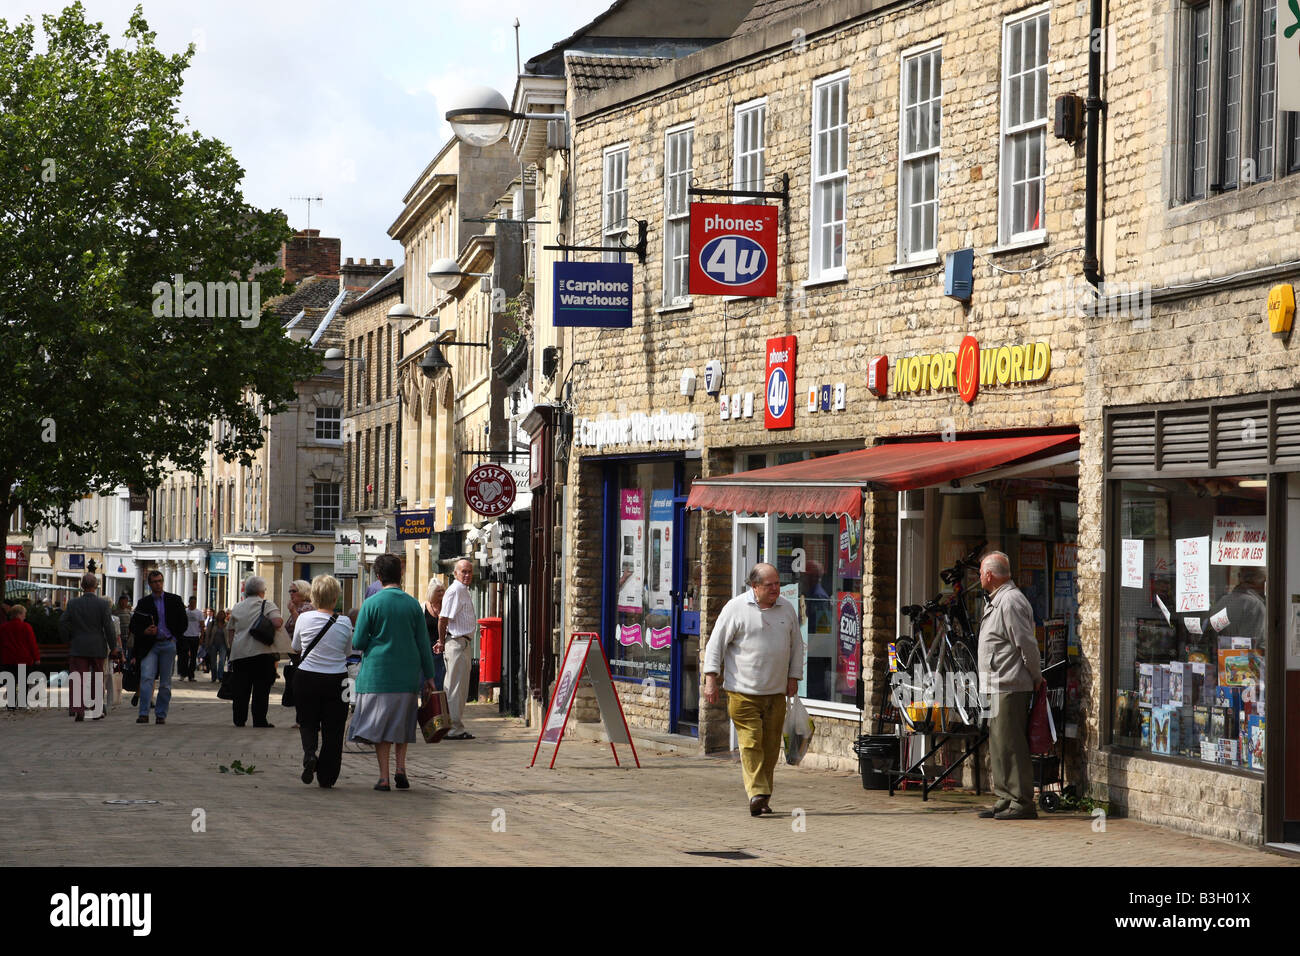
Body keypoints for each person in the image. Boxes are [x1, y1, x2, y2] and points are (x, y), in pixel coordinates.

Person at [702, 563, 803, 816]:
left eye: (778, 584)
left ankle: (763, 796)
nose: (775, 589)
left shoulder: (786, 609)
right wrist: (711, 679)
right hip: (742, 692)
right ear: (754, 586)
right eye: (769, 585)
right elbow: (715, 645)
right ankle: (756, 792)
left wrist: (794, 677)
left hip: (776, 692)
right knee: (750, 742)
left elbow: (797, 646)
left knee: (770, 747)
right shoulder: (735, 608)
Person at [349, 552, 437, 790]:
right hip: (407, 676)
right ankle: (401, 768)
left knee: (380, 728)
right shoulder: (412, 605)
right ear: (401, 575)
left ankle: (384, 777)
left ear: (378, 577)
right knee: (402, 723)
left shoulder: (371, 604)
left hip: (377, 675)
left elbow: (358, 641)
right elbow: (423, 644)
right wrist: (429, 676)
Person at [976, 551, 1044, 821]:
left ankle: (1022, 801)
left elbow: (1026, 643)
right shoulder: (996, 600)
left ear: (990, 575)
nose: (980, 577)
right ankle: (1004, 798)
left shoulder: (1011, 601)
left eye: (981, 572)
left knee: (1012, 745)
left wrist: (1036, 676)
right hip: (995, 684)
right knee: (998, 745)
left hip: (1010, 684)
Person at [292, 575, 353, 788]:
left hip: (306, 676)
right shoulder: (344, 622)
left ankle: (310, 754)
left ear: (314, 597)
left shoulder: (303, 618)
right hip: (337, 679)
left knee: (307, 721)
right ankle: (327, 777)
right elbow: (347, 652)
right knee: (334, 730)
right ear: (335, 597)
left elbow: (296, 646)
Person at [60, 572, 121, 721]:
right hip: (97, 646)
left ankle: (78, 709)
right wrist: (113, 646)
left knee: (78, 678)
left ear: (81, 586)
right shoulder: (103, 604)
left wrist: (67, 639)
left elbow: (62, 622)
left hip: (78, 645)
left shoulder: (73, 603)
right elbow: (109, 627)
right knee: (97, 678)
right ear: (96, 586)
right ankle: (96, 709)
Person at [130, 570, 188, 725]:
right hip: (150, 646)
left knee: (165, 682)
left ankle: (161, 714)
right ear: (149, 584)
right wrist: (145, 631)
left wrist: (174, 637)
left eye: (160, 581)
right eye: (154, 582)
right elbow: (133, 625)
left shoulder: (174, 600)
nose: (158, 584)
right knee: (147, 678)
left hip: (168, 644)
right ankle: (143, 713)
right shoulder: (144, 603)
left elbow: (183, 622)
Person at [226, 576, 284, 728]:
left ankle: (239, 719)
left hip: (240, 654)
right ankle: (259, 720)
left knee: (241, 689)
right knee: (261, 689)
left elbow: (231, 630)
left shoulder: (237, 606)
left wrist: (232, 648)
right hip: (262, 653)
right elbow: (278, 622)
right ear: (262, 592)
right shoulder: (267, 604)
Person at [436, 559, 478, 740]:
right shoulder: (455, 590)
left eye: (469, 571)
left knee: (459, 688)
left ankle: (455, 727)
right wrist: (441, 640)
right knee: (455, 688)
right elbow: (443, 618)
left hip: (462, 643)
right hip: (457, 643)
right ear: (455, 573)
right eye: (463, 572)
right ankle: (453, 729)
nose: (467, 575)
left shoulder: (462, 590)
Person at [1204, 566, 1267, 645]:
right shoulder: (1255, 606)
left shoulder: (1224, 601)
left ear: (1239, 577)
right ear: (1262, 581)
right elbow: (1254, 647)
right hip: (1242, 655)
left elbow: (1213, 631)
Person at [0, 604, 40, 710]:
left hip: (8, 658)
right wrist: (36, 658)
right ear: (19, 614)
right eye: (24, 614)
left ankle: (12, 704)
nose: (25, 617)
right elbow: (32, 643)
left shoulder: (3, 627)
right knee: (23, 681)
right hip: (24, 658)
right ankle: (22, 703)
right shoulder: (26, 627)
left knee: (11, 681)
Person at [423, 580, 447, 692]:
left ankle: (440, 706)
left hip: (443, 647)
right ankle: (427, 706)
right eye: (438, 591)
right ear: (432, 592)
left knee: (441, 680)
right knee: (426, 681)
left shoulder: (446, 606)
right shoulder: (422, 607)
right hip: (427, 648)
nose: (442, 593)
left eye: (443, 590)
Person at [178, 596, 203, 682]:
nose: (192, 604)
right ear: (189, 602)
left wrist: (201, 637)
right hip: (185, 636)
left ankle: (191, 675)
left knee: (193, 657)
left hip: (195, 636)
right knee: (184, 656)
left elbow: (202, 625)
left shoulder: (199, 613)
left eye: (194, 603)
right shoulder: (185, 612)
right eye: (191, 602)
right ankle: (182, 674)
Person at [205, 609, 229, 682]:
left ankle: (220, 676)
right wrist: (207, 644)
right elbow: (207, 634)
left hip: (223, 645)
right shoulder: (212, 623)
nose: (221, 616)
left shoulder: (227, 624)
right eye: (220, 614)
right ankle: (214, 676)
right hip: (213, 644)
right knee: (213, 662)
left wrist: (229, 645)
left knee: (222, 661)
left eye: (222, 614)